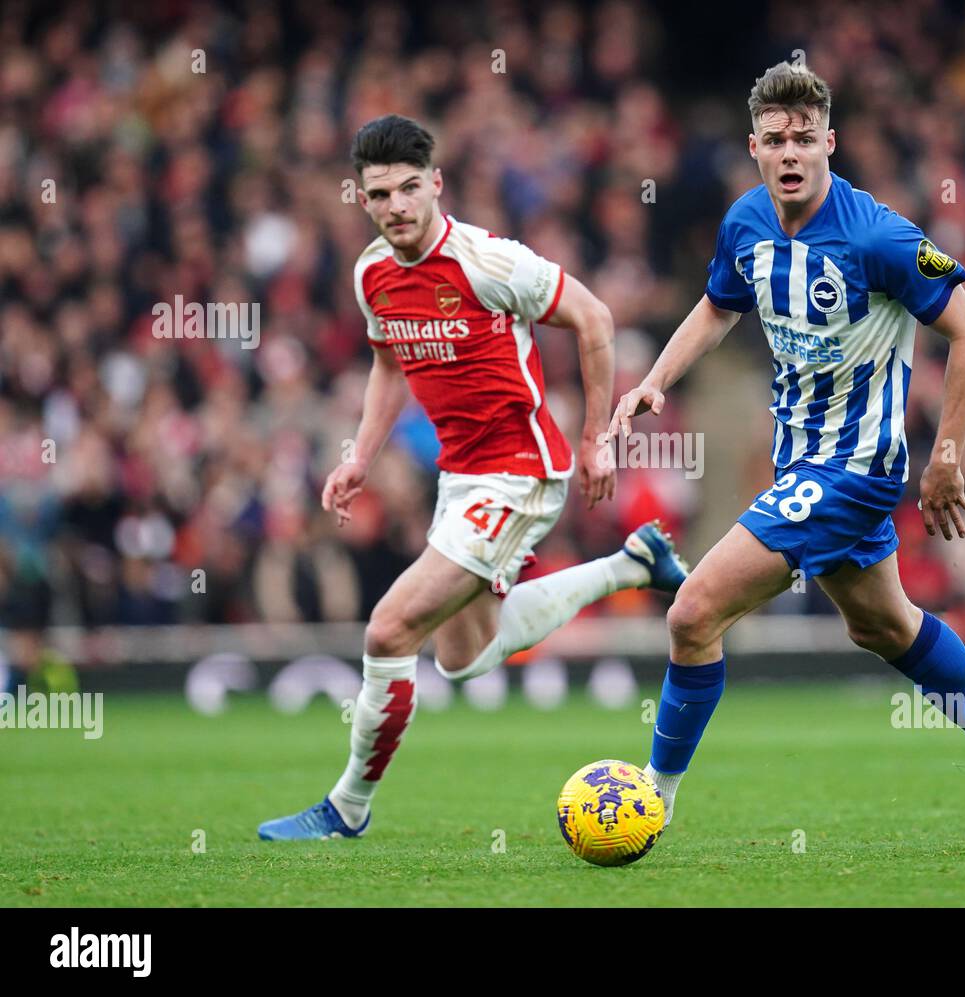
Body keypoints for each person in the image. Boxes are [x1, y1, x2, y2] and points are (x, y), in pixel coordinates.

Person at [606, 64, 965, 847]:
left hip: (854, 470)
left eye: (805, 139)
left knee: (692, 611)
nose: (791, 153)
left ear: (829, 144)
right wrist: (654, 380)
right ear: (754, 148)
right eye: (776, 139)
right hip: (800, 460)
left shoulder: (880, 236)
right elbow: (717, 306)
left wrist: (947, 456)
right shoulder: (746, 222)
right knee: (882, 626)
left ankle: (653, 795)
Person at [259, 115, 687, 841]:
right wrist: (360, 455)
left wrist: (595, 439)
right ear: (362, 199)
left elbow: (594, 318)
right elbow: (388, 364)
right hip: (460, 478)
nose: (395, 205)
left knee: (389, 629)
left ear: (436, 185)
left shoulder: (488, 261)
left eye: (408, 188)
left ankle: (347, 807)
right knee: (462, 657)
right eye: (379, 194)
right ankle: (632, 565)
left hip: (521, 472)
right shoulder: (372, 274)